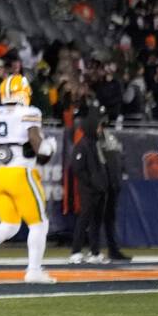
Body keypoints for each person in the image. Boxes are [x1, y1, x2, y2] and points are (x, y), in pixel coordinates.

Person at [0, 74, 57, 284]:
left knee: (9, 225)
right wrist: (50, 146)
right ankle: (34, 270)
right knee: (39, 224)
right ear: (23, 92)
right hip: (21, 173)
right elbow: (37, 146)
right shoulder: (30, 112)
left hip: (2, 174)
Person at [68, 112, 106, 263]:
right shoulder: (82, 145)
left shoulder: (96, 144)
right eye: (98, 127)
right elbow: (77, 168)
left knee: (96, 221)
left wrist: (102, 184)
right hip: (88, 190)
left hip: (98, 190)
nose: (100, 130)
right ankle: (75, 252)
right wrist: (91, 183)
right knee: (83, 220)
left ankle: (94, 252)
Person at [99, 118, 131, 261]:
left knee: (109, 218)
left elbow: (119, 158)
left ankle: (112, 249)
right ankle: (91, 250)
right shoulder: (94, 141)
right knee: (92, 219)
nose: (102, 127)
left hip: (112, 184)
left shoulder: (110, 137)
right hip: (101, 185)